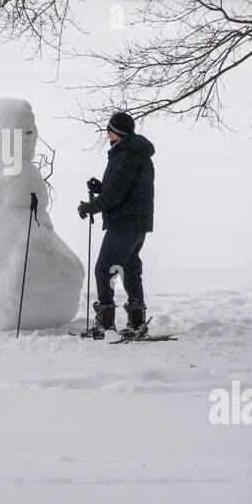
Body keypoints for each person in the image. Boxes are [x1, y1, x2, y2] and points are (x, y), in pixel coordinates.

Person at [77, 111, 154, 338]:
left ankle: (105, 324)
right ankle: (137, 322)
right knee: (129, 268)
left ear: (116, 133)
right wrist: (102, 187)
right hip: (137, 222)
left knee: (105, 269)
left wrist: (87, 208)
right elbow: (124, 189)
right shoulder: (135, 153)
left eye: (109, 131)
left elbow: (115, 197)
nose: (107, 135)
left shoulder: (126, 156)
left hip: (125, 223)